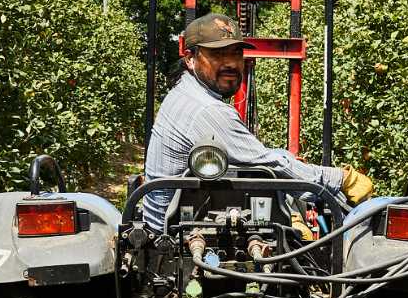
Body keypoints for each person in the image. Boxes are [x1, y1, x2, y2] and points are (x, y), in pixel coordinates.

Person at [141, 11, 373, 229]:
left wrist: (286, 159)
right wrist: (342, 179)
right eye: (218, 54)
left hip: (169, 223)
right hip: (173, 237)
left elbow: (261, 159)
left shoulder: (183, 90)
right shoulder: (208, 109)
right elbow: (268, 165)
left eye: (236, 53)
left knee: (283, 157)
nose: (231, 63)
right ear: (191, 58)